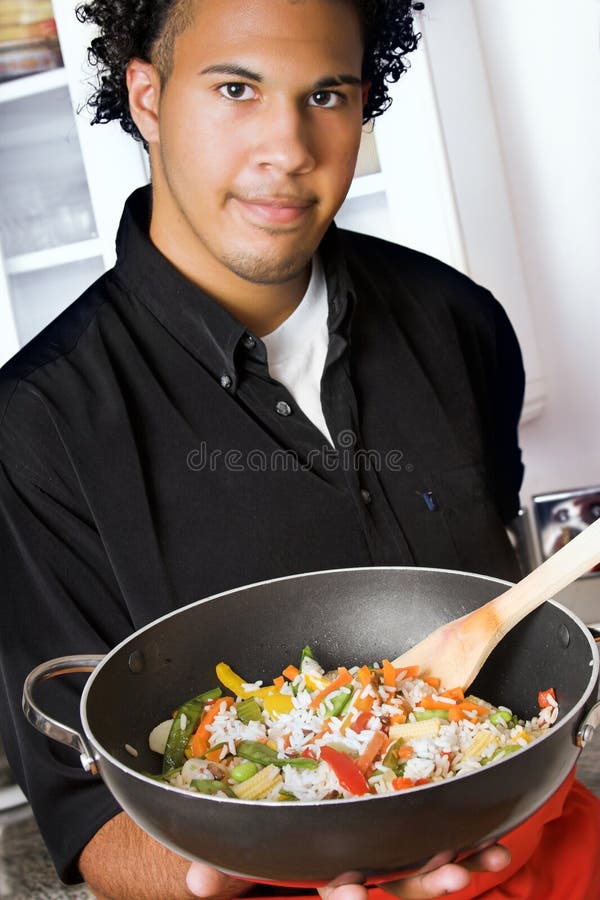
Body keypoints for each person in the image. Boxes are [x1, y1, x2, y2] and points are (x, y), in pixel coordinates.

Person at [0, 1, 598, 898]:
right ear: (148, 97)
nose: (288, 147)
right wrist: (299, 841)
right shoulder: (38, 426)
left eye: (327, 94)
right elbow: (95, 831)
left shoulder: (459, 324)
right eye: (237, 88)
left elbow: (520, 631)